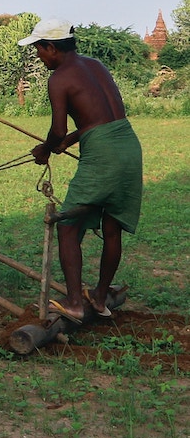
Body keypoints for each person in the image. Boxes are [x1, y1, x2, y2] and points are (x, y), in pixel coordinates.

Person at [19, 18, 143, 324]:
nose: (38, 56)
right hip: (128, 145)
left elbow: (58, 129)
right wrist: (70, 140)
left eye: (38, 49)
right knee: (111, 228)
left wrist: (47, 149)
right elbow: (101, 117)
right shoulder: (96, 65)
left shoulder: (59, 78)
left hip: (102, 154)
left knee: (68, 226)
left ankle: (75, 303)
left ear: (51, 47)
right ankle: (99, 298)